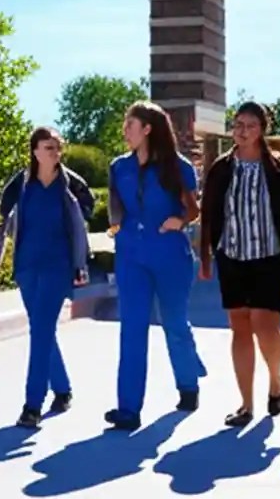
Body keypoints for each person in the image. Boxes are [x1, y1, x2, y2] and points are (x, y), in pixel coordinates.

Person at [199, 101, 280, 427]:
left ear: (262, 130)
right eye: (238, 124)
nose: (243, 131)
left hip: (271, 256)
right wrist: (206, 255)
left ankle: (276, 380)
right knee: (239, 327)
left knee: (265, 326)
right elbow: (209, 213)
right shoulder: (221, 169)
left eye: (250, 125)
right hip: (231, 255)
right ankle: (246, 405)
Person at [104, 100, 208, 430]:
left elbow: (193, 209)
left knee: (174, 323)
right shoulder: (119, 167)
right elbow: (115, 210)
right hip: (131, 256)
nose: (125, 131)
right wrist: (115, 232)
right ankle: (128, 408)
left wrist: (180, 221)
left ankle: (188, 384)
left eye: (130, 125)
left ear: (147, 129)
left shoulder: (177, 167)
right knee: (132, 327)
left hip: (169, 254)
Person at [0, 127, 95, 429]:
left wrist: (80, 263)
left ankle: (32, 406)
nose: (54, 153)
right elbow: (4, 210)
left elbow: (85, 215)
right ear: (35, 151)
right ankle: (62, 389)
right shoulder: (22, 183)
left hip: (57, 267)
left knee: (40, 331)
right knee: (41, 329)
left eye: (57, 148)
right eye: (48, 147)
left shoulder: (70, 184)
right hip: (26, 267)